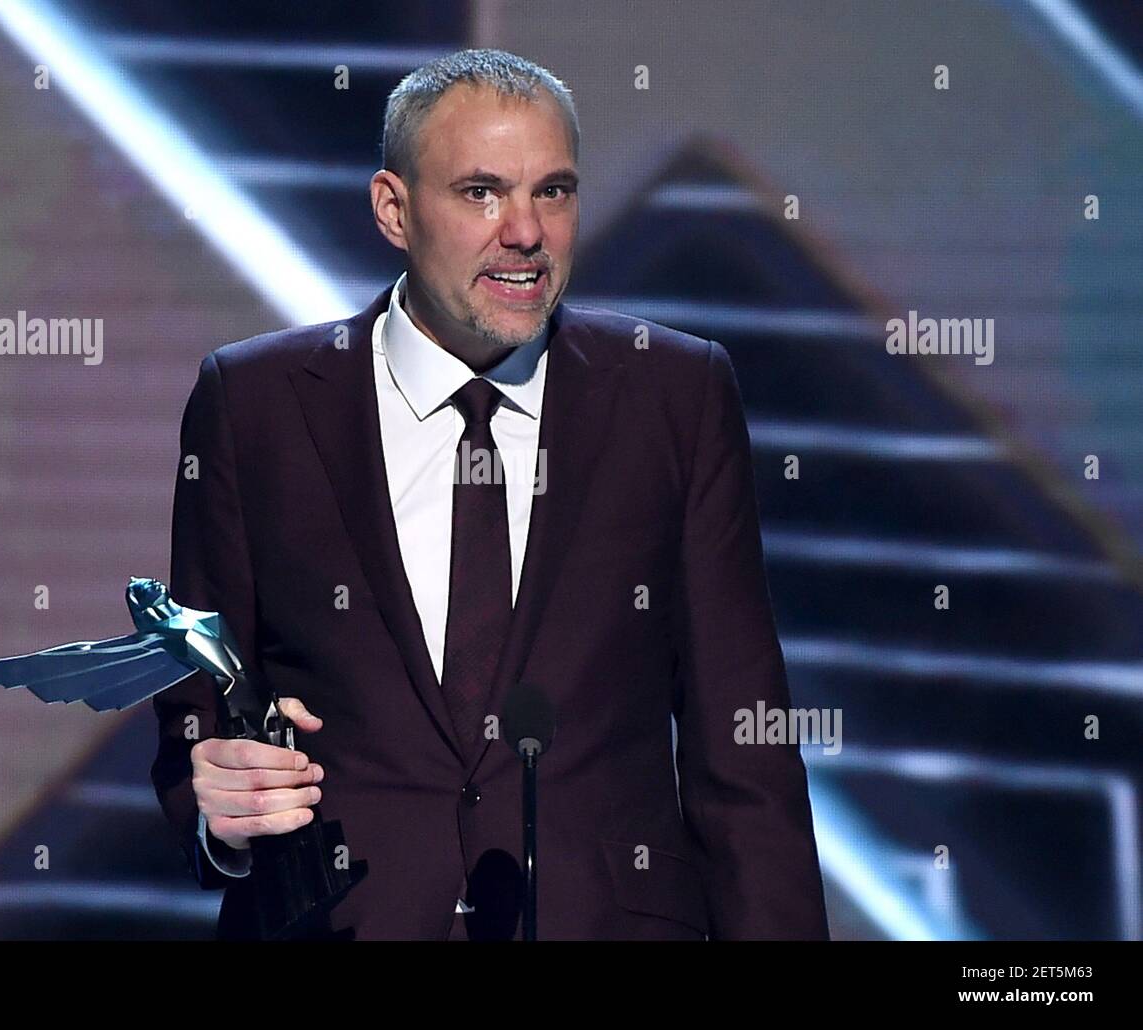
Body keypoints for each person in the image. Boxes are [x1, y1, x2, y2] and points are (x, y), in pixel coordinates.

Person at [151, 48, 828, 941]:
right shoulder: (255, 406)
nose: (525, 232)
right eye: (481, 192)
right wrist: (222, 813)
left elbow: (745, 757)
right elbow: (196, 719)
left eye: (553, 191)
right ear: (393, 209)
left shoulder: (673, 395)